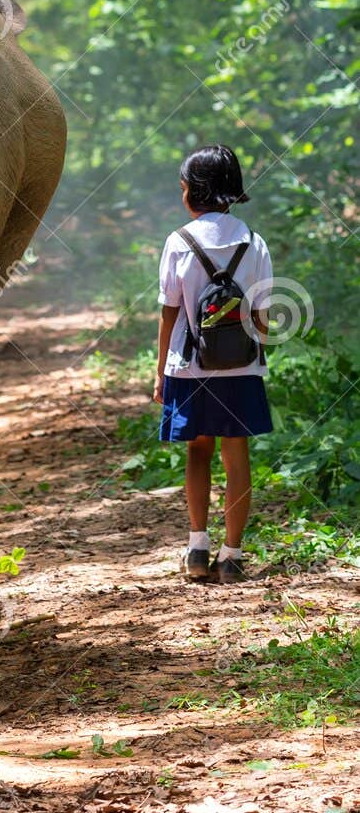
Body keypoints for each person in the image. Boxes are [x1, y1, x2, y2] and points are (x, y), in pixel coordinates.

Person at [153, 145, 272, 585]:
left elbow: (169, 312)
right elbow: (261, 312)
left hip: (189, 367)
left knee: (197, 451)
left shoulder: (178, 242)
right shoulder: (253, 242)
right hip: (242, 367)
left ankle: (197, 548)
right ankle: (233, 556)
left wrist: (160, 371)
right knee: (236, 456)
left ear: (192, 194)